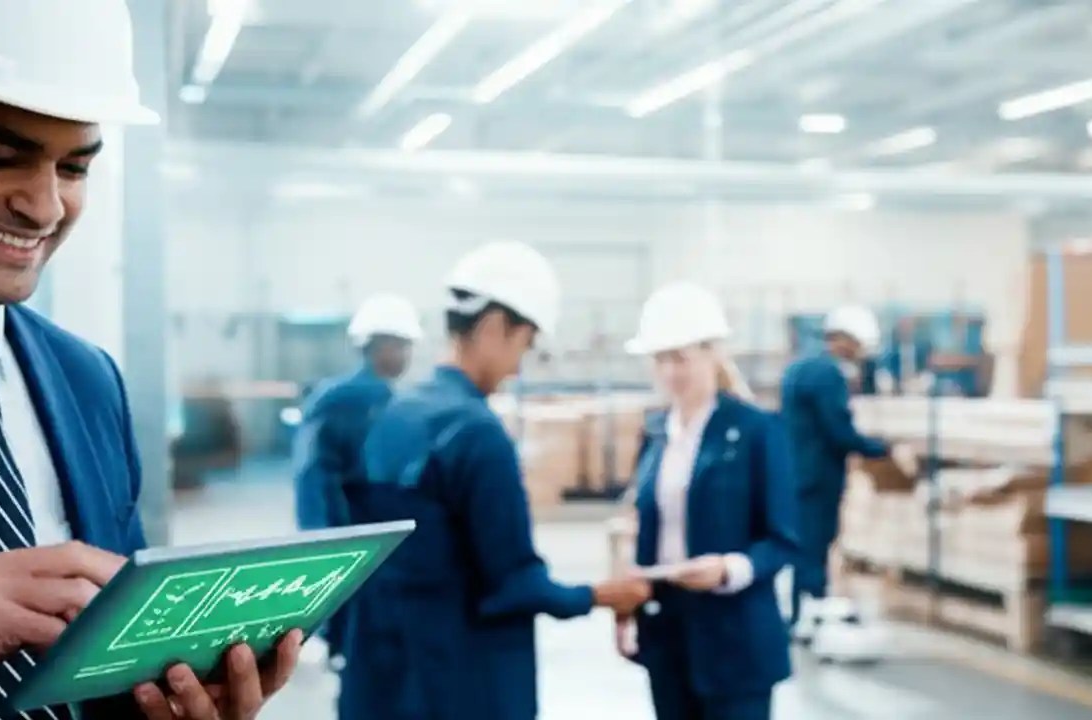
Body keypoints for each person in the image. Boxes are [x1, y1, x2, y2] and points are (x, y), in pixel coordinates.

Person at [0, 3, 300, 719]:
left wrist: (172, 700)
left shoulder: (87, 381)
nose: (45, 207)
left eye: (74, 167)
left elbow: (111, 665)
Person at [340, 241, 652, 720]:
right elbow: (514, 582)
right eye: (524, 344)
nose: (518, 365)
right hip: (463, 681)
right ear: (493, 327)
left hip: (384, 674)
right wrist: (599, 595)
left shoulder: (395, 415)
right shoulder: (476, 433)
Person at [616, 282, 798, 720]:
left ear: (713, 353)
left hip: (735, 639)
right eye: (661, 359)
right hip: (668, 632)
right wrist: (627, 610)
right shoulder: (656, 433)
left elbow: (784, 538)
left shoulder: (756, 431)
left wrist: (728, 569)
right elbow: (646, 529)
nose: (671, 372)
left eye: (681, 358)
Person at [292, 293, 422, 665]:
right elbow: (313, 471)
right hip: (349, 523)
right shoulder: (345, 399)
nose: (405, 356)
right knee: (355, 612)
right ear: (378, 346)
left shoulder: (385, 398)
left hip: (369, 527)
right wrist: (318, 531)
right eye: (400, 346)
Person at [780, 305, 903, 639]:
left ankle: (801, 612)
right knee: (815, 545)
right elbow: (839, 431)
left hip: (797, 473)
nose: (860, 355)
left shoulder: (799, 368)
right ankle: (809, 613)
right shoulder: (828, 375)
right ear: (845, 340)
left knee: (803, 545)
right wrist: (882, 449)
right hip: (818, 477)